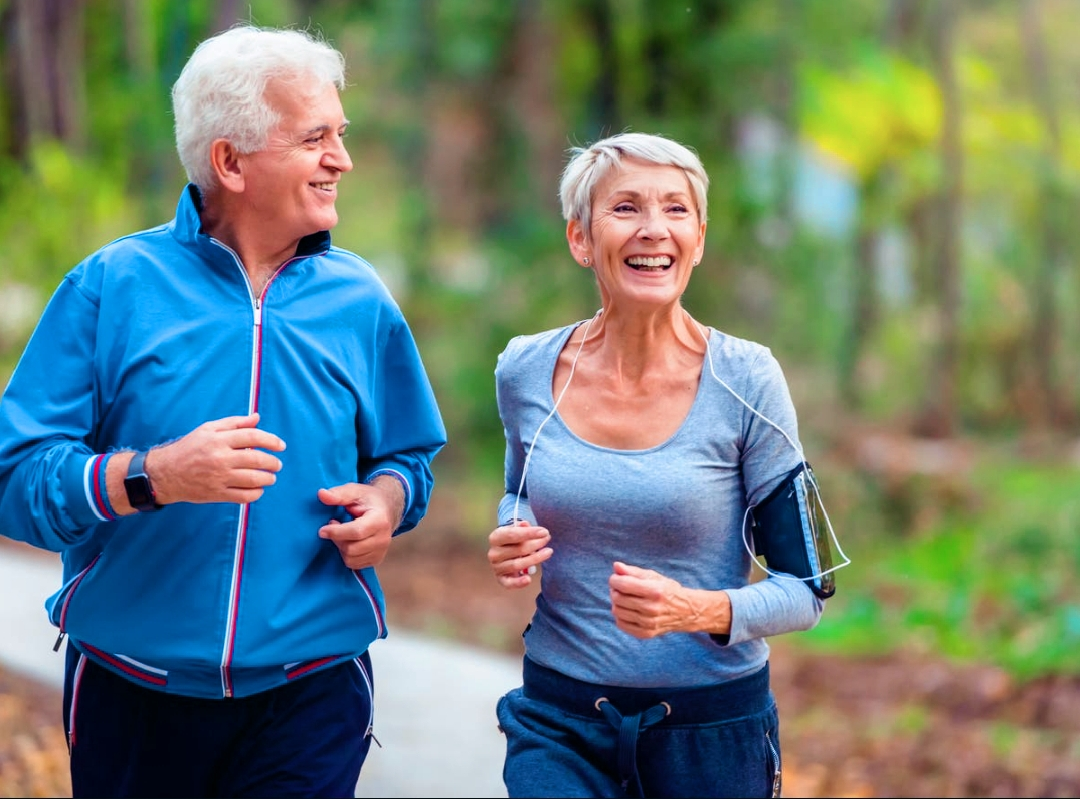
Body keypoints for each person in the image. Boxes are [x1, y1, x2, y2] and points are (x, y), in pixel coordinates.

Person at [0, 24, 446, 799]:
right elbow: (16, 480)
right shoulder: (111, 287)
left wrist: (387, 501)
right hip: (131, 689)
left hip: (313, 687)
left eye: (340, 134)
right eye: (315, 138)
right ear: (230, 162)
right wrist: (155, 474)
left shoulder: (361, 300)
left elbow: (407, 458)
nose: (342, 159)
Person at [487, 131, 844, 798]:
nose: (654, 229)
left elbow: (807, 589)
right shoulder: (527, 369)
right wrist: (514, 528)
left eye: (676, 209)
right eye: (626, 207)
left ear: (698, 240)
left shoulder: (748, 379)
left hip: (710, 733)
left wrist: (692, 609)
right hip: (560, 720)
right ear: (581, 238)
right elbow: (520, 490)